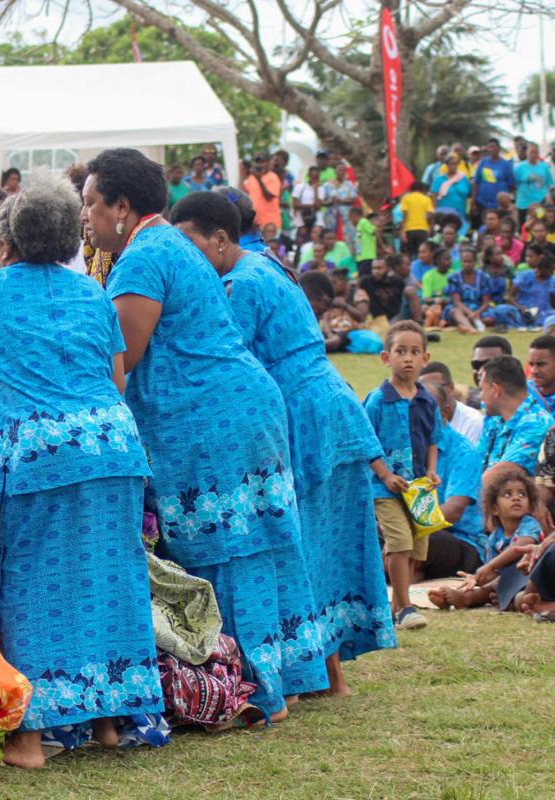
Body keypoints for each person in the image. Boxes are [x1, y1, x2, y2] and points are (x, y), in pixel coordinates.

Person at [0, 169, 162, 767]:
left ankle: (29, 738)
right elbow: (117, 380)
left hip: (39, 454)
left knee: (36, 583)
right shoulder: (92, 294)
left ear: (7, 240)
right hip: (112, 444)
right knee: (112, 575)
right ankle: (110, 720)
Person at [86, 148, 327, 721]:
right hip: (241, 405)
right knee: (261, 542)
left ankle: (251, 690)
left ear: (122, 207)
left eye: (91, 204)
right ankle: (286, 678)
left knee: (226, 549)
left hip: (210, 417)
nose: (86, 217)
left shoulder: (144, 257)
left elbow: (123, 359)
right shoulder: (168, 243)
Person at [169, 190, 393, 695]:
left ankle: (324, 673)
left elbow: (222, 358)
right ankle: (329, 674)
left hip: (300, 408)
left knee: (304, 541)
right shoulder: (266, 264)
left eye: (192, 245)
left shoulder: (239, 285)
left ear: (221, 239)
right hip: (331, 400)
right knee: (326, 540)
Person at [363, 320, 441, 631]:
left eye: (414, 352)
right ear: (386, 357)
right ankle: (406, 606)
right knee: (399, 540)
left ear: (425, 358)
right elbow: (366, 442)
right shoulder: (378, 400)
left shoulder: (427, 400)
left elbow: (434, 439)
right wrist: (384, 475)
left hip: (419, 489)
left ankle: (395, 607)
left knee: (417, 547)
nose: (407, 358)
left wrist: (433, 471)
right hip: (385, 488)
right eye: (400, 351)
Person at [429, 470, 541, 611]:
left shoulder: (529, 524)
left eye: (522, 494)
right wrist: (478, 577)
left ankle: (474, 599)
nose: (516, 498)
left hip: (531, 577)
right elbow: (492, 571)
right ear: (494, 509)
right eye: (508, 494)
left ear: (530, 506)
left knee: (499, 583)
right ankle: (466, 597)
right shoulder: (495, 537)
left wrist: (490, 567)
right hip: (506, 580)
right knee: (492, 585)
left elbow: (520, 547)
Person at [416, 376, 486, 581]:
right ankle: (407, 572)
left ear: (445, 412)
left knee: (419, 541)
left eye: (427, 409)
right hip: (416, 531)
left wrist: (409, 530)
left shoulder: (464, 452)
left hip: (460, 540)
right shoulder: (408, 449)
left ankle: (404, 573)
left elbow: (453, 512)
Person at [478, 355, 554, 478]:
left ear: (495, 389)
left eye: (482, 389)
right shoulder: (494, 420)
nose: (480, 397)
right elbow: (474, 461)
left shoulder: (537, 422)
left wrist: (462, 491)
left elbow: (502, 474)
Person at [419, 362, 483, 444]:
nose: (429, 393)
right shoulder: (418, 419)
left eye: (436, 387)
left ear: (451, 388)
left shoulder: (472, 423)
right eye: (423, 389)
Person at [443, 247, 492, 333]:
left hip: (478, 307)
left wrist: (477, 312)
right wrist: (470, 313)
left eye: (469, 261)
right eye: (464, 261)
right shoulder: (454, 278)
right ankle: (470, 328)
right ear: (460, 262)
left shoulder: (484, 277)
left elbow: (486, 302)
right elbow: (457, 302)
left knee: (490, 319)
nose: (466, 264)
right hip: (460, 307)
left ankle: (463, 324)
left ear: (475, 262)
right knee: (456, 312)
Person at [471, 138, 516, 225]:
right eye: (490, 147)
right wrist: (473, 202)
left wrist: (506, 201)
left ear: (498, 148)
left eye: (494, 147)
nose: (492, 149)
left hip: (499, 206)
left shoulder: (505, 165)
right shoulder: (483, 163)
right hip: (483, 203)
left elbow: (511, 186)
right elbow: (476, 182)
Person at [509, 248, 555, 329]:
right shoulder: (524, 276)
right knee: (503, 310)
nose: (552, 273)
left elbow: (553, 302)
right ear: (542, 269)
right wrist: (520, 308)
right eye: (550, 270)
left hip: (544, 312)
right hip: (522, 310)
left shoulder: (552, 280)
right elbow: (510, 296)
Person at [430, 153, 472, 228]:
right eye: (450, 164)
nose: (453, 166)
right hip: (443, 214)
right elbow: (434, 199)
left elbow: (469, 196)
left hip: (460, 212)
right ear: (446, 165)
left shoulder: (463, 179)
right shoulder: (439, 180)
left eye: (455, 164)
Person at [243, 153, 281, 232]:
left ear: (268, 163)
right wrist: (242, 173)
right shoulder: (252, 177)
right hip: (256, 223)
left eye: (262, 162)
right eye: (257, 162)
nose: (260, 165)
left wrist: (259, 179)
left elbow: (269, 197)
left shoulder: (273, 177)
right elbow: (243, 193)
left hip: (270, 224)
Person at [361, 258, 406, 323]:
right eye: (374, 268)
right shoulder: (366, 282)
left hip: (395, 317)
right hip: (376, 319)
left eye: (379, 268)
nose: (376, 271)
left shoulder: (397, 281)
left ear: (388, 269)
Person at [399, 180, 435, 258]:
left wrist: (402, 231)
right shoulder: (426, 199)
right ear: (422, 189)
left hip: (409, 230)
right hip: (422, 230)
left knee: (407, 254)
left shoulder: (406, 198)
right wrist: (430, 228)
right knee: (422, 253)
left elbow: (404, 215)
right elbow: (430, 215)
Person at [420, 245, 453, 324]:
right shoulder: (428, 276)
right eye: (446, 259)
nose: (450, 261)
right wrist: (438, 300)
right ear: (437, 261)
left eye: (450, 259)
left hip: (450, 305)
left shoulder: (454, 274)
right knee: (425, 308)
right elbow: (426, 298)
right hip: (433, 305)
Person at [352, 206, 381, 277]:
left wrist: (383, 247)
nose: (351, 221)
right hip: (361, 258)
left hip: (367, 257)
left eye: (350, 218)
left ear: (354, 216)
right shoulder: (359, 226)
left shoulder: (363, 221)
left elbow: (375, 232)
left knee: (365, 278)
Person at [292, 166, 321, 231]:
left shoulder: (321, 189)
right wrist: (311, 206)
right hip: (300, 222)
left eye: (316, 176)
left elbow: (318, 206)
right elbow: (294, 205)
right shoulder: (299, 187)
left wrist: (315, 190)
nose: (314, 178)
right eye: (312, 176)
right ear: (308, 175)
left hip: (315, 222)